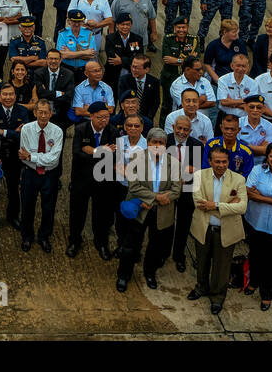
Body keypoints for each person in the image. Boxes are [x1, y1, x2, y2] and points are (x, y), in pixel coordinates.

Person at [116, 127, 183, 291]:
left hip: (161, 212)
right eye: (154, 142)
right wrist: (155, 197)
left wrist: (156, 199)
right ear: (148, 143)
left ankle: (149, 273)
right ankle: (123, 276)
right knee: (130, 246)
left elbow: (176, 190)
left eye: (161, 143)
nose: (157, 145)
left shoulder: (174, 163)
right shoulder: (136, 159)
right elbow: (133, 186)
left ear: (166, 145)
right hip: (140, 208)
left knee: (156, 245)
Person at [188, 146, 247, 315]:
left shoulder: (239, 179)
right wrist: (230, 206)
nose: (221, 165)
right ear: (210, 161)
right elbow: (198, 203)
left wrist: (215, 205)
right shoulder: (199, 176)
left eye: (224, 162)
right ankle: (201, 288)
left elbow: (242, 207)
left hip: (226, 230)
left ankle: (217, 297)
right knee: (202, 262)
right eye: (217, 161)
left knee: (222, 267)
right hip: (203, 227)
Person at [67, 101, 117, 258]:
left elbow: (114, 156)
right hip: (81, 179)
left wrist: (92, 151)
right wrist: (102, 151)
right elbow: (77, 154)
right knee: (77, 213)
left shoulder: (113, 131)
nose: (104, 120)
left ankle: (101, 243)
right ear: (92, 116)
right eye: (100, 117)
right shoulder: (81, 129)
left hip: (103, 180)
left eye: (107, 117)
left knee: (101, 214)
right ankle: (74, 241)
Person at [17, 98, 63, 253]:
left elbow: (54, 158)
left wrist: (32, 157)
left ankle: (44, 236)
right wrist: (32, 157)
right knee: (27, 206)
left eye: (46, 112)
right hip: (30, 173)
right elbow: (24, 154)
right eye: (40, 112)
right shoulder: (26, 129)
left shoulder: (57, 131)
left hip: (50, 174)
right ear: (35, 112)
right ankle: (27, 236)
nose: (43, 115)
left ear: (51, 114)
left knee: (48, 207)